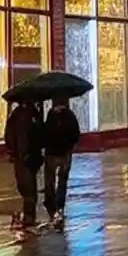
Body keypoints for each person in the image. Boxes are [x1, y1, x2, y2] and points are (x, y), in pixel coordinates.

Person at [4, 99, 46, 226]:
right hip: (29, 157)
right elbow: (39, 136)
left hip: (24, 158)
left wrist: (12, 152)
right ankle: (29, 216)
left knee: (27, 188)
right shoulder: (33, 115)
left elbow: (9, 136)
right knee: (29, 188)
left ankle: (29, 217)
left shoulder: (17, 116)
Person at [43, 96, 82, 227]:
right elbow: (76, 134)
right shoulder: (70, 115)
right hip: (65, 153)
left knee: (50, 179)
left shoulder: (51, 115)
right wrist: (69, 145)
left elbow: (46, 133)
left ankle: (51, 203)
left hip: (52, 153)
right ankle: (59, 204)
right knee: (62, 180)